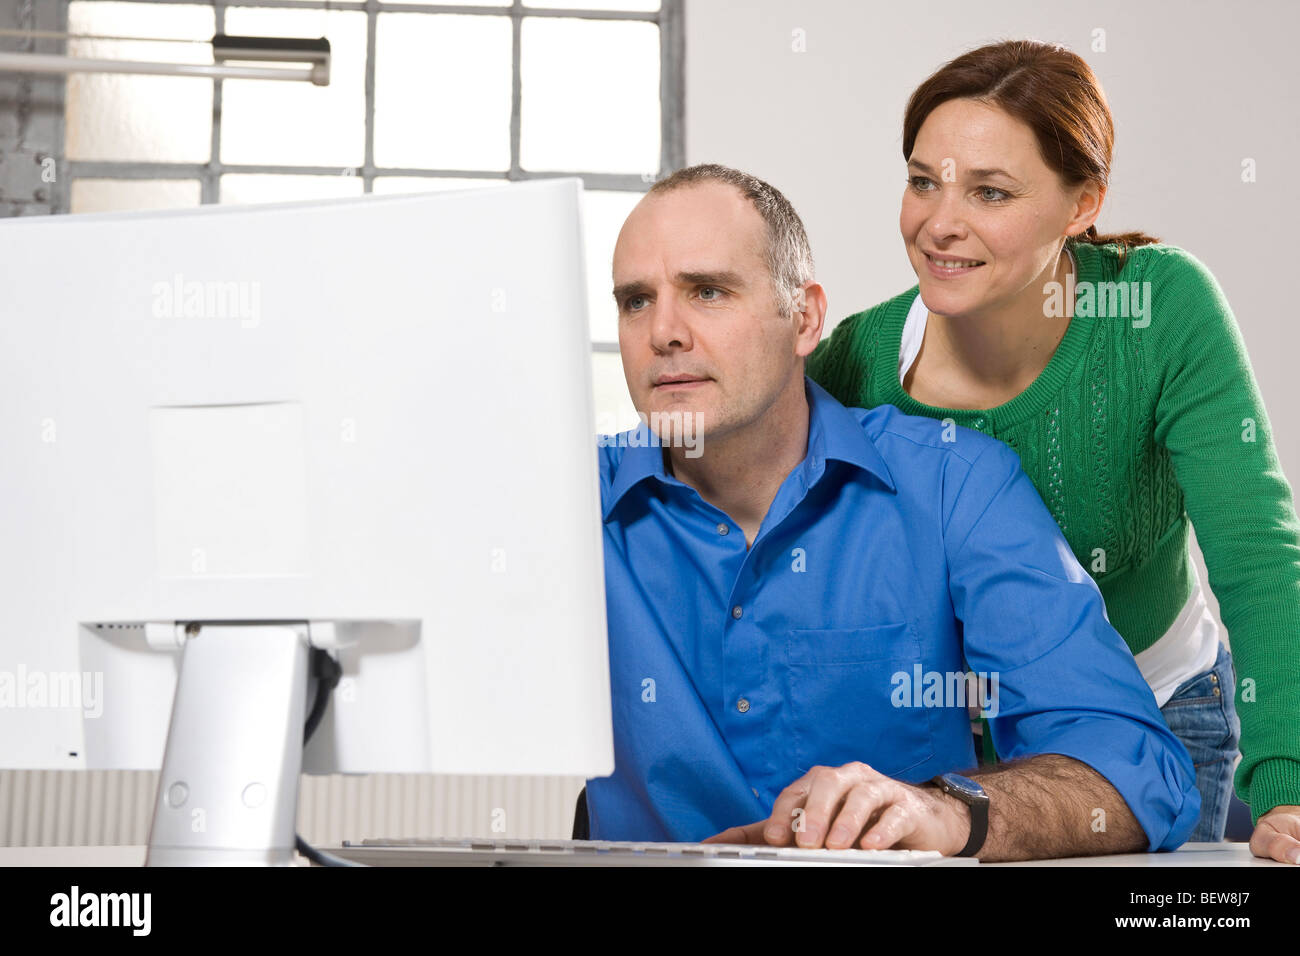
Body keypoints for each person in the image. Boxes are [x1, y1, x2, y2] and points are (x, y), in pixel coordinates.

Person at [586, 163, 1199, 860]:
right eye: (635, 301)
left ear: (805, 317)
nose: (663, 331)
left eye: (707, 291)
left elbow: (1136, 767)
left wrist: (944, 811)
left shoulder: (953, 484)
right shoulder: (568, 501)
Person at [805, 39, 1300, 863]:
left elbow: (1256, 557)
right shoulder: (859, 360)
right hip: (945, 744)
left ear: (1082, 204)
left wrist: (1289, 785)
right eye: (924, 180)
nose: (939, 222)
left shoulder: (1162, 311)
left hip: (1152, 717)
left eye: (990, 191)